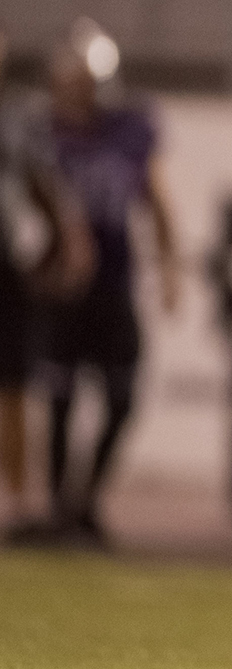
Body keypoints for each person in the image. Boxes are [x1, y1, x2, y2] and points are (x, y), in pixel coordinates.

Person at [39, 45, 180, 545]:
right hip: (60, 288)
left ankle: (85, 499)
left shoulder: (129, 131)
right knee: (59, 398)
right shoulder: (42, 134)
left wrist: (170, 266)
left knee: (121, 399)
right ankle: (59, 508)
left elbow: (156, 197)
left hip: (113, 283)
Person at [0, 32, 92, 533]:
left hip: (7, 263)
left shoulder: (18, 120)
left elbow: (45, 185)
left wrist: (70, 239)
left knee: (13, 384)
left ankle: (15, 497)